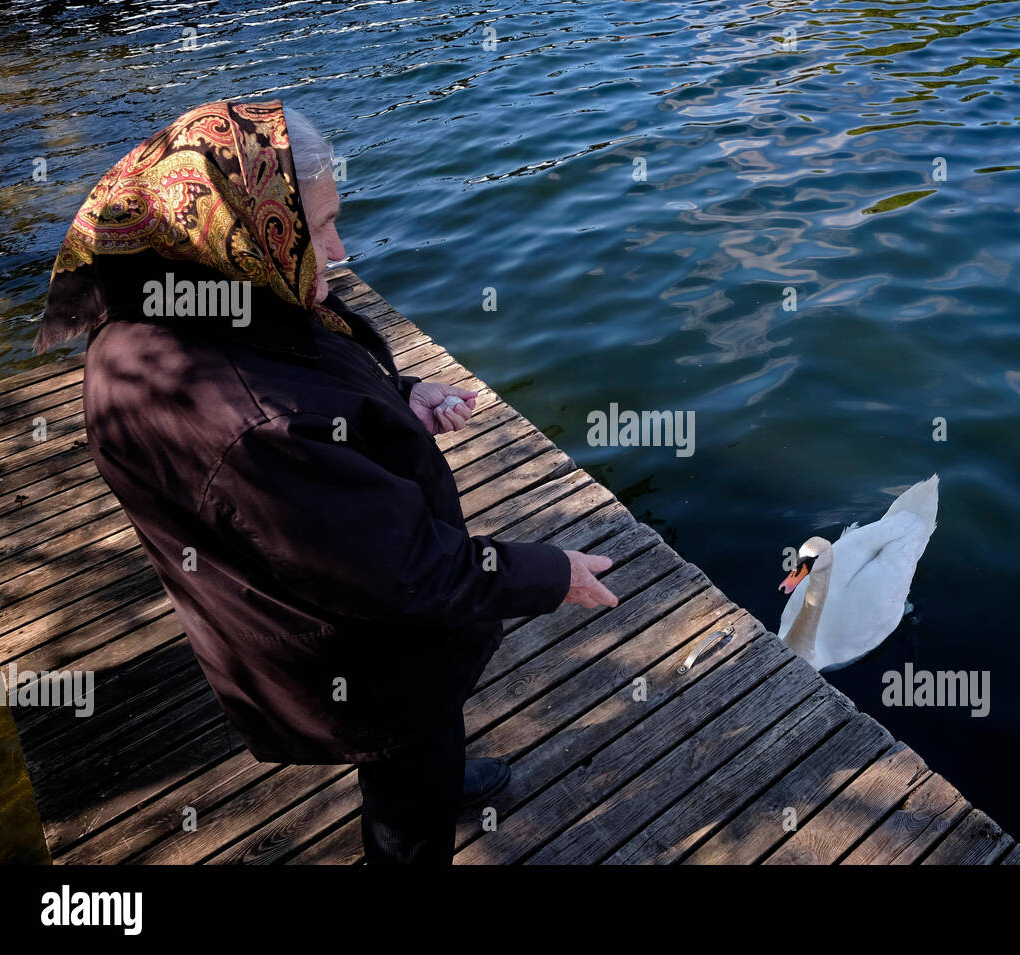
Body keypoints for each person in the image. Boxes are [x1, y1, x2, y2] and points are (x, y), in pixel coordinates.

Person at [34, 99, 618, 864]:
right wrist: (550, 572)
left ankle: (431, 773)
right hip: (352, 650)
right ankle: (418, 804)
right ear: (245, 222)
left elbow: (304, 371)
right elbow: (398, 571)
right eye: (320, 226)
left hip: (299, 600)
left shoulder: (191, 289)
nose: (339, 253)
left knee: (417, 756)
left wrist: (396, 395)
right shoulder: (253, 423)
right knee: (409, 783)